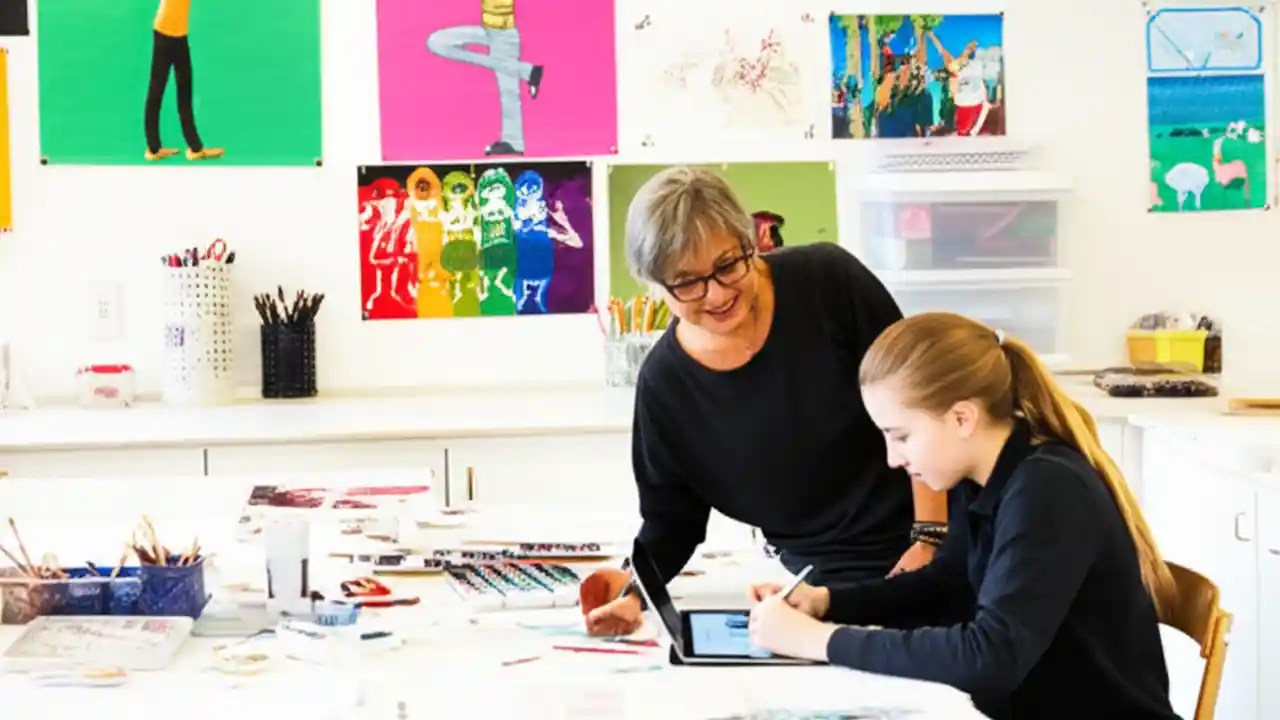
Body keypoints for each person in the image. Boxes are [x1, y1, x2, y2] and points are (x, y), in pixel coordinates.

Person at [746, 313, 1180, 720]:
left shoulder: (1048, 488)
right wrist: (828, 602)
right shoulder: (983, 478)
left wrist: (817, 641)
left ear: (961, 418)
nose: (892, 459)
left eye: (901, 436)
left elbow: (991, 657)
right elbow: (949, 586)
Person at [583, 167, 947, 636]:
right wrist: (634, 595)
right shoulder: (666, 387)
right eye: (687, 282)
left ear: (750, 242)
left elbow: (923, 401)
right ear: (656, 286)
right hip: (820, 584)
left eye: (728, 265)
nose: (715, 294)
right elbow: (671, 523)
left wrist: (931, 540)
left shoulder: (829, 284)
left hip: (934, 539)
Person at [426, 0, 544, 156]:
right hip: (494, 29)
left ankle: (514, 142)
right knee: (437, 42)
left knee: (508, 90)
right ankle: (524, 70)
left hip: (502, 31)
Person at [145, 0, 223, 162]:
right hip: (164, 33)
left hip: (179, 35)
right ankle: (153, 149)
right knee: (157, 90)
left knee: (185, 88)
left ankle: (194, 148)